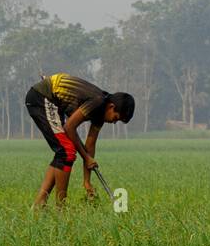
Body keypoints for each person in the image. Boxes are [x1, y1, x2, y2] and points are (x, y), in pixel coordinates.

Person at [25, 73, 134, 208]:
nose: (114, 122)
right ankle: (61, 208)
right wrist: (86, 157)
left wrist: (87, 181)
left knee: (64, 152)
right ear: (111, 107)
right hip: (43, 97)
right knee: (66, 152)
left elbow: (90, 144)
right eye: (116, 118)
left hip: (53, 102)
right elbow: (69, 127)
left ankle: (39, 204)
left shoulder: (101, 113)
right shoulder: (98, 101)